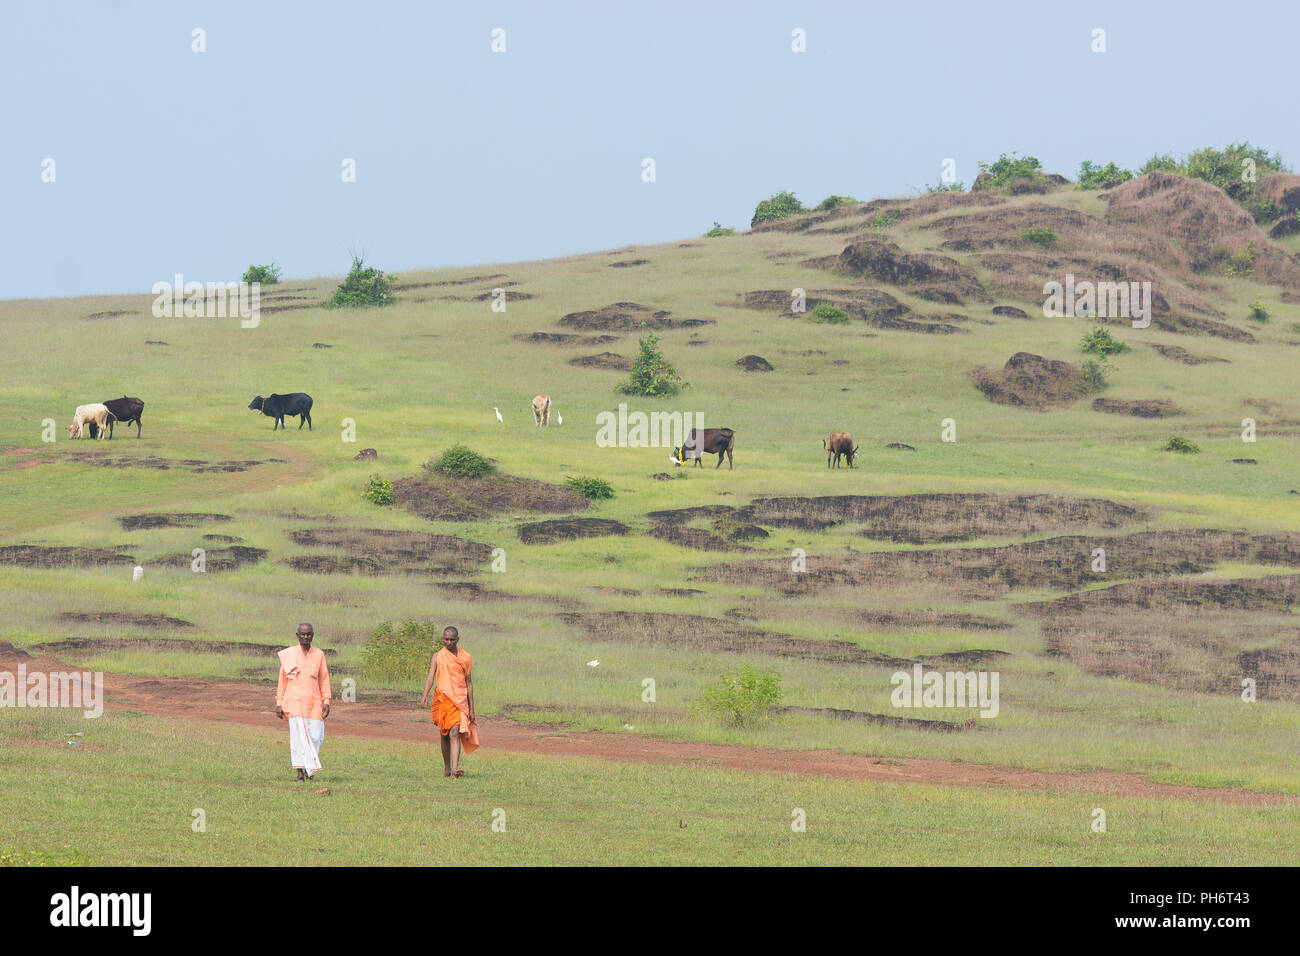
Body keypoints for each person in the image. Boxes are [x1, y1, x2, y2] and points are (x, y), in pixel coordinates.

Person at [419, 626, 478, 777]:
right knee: (444, 734)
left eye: (452, 639)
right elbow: (430, 677)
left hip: (459, 699)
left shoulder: (466, 657)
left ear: (458, 639)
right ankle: (446, 768)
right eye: (446, 639)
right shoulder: (438, 656)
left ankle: (454, 769)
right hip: (443, 699)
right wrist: (425, 694)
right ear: (443, 639)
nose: (449, 642)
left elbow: (469, 683)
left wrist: (472, 709)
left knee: (454, 732)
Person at [275, 622, 331, 781]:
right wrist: (279, 703)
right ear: (297, 635)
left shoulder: (319, 654)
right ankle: (300, 773)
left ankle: (309, 768)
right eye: (303, 634)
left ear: (313, 635)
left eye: (309, 634)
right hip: (294, 702)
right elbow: (282, 680)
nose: (306, 637)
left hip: (314, 703)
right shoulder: (289, 654)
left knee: (315, 737)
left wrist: (326, 701)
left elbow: (324, 679)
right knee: (298, 738)